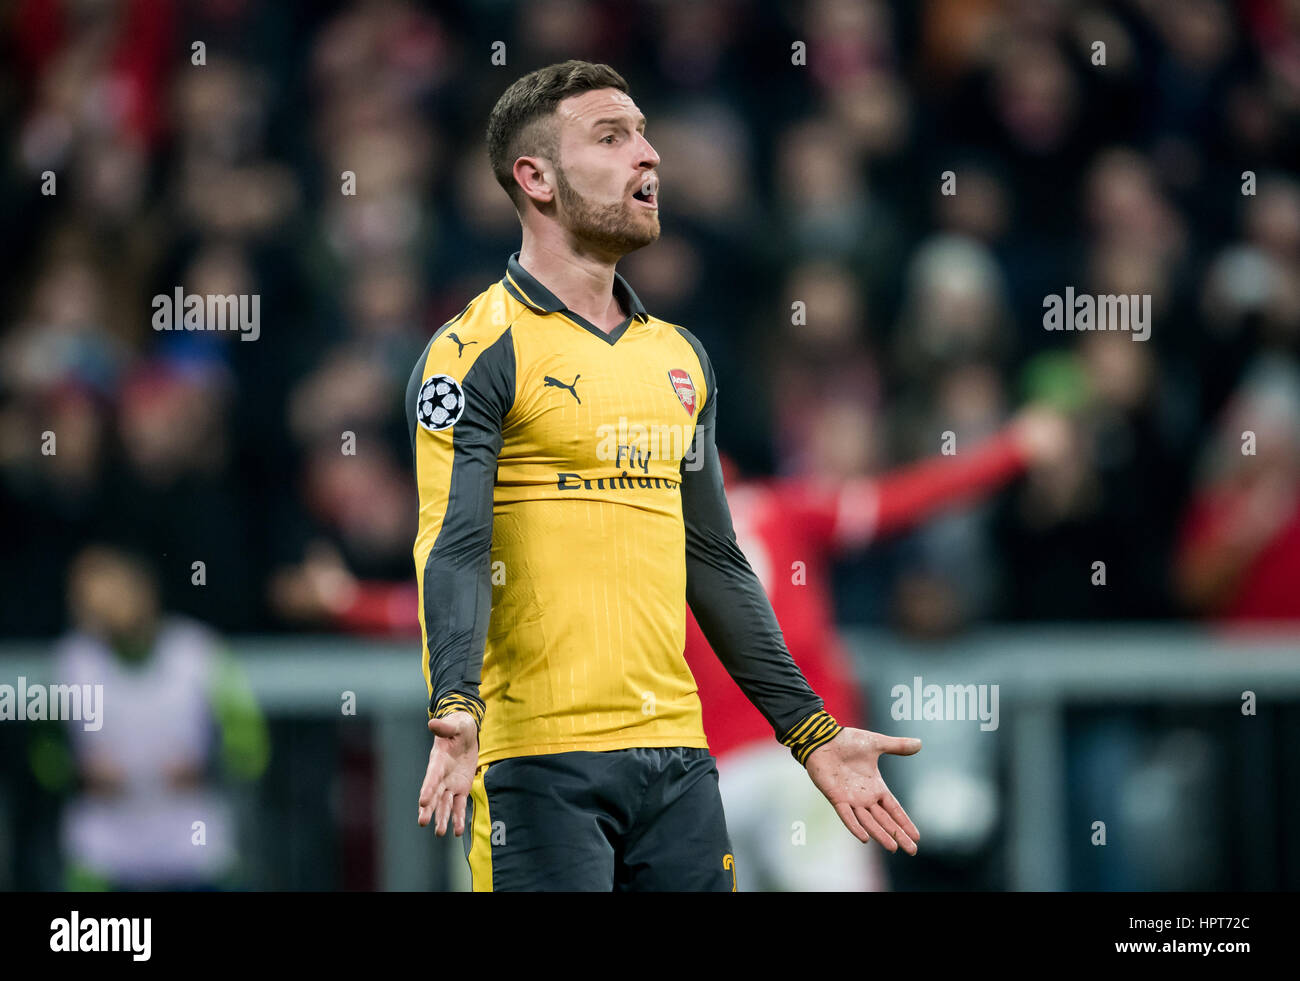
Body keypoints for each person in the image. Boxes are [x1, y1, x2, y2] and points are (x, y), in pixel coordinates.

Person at [407, 60, 922, 891]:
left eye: (644, 134)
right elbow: (455, 541)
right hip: (540, 761)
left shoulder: (679, 358)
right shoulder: (475, 352)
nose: (648, 156)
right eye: (612, 138)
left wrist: (811, 732)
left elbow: (716, 563)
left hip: (681, 763)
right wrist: (458, 707)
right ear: (533, 178)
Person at [687, 407, 1069, 890]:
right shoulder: (780, 507)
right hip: (807, 760)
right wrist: (1013, 450)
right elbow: (902, 501)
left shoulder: (649, 539)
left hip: (713, 776)